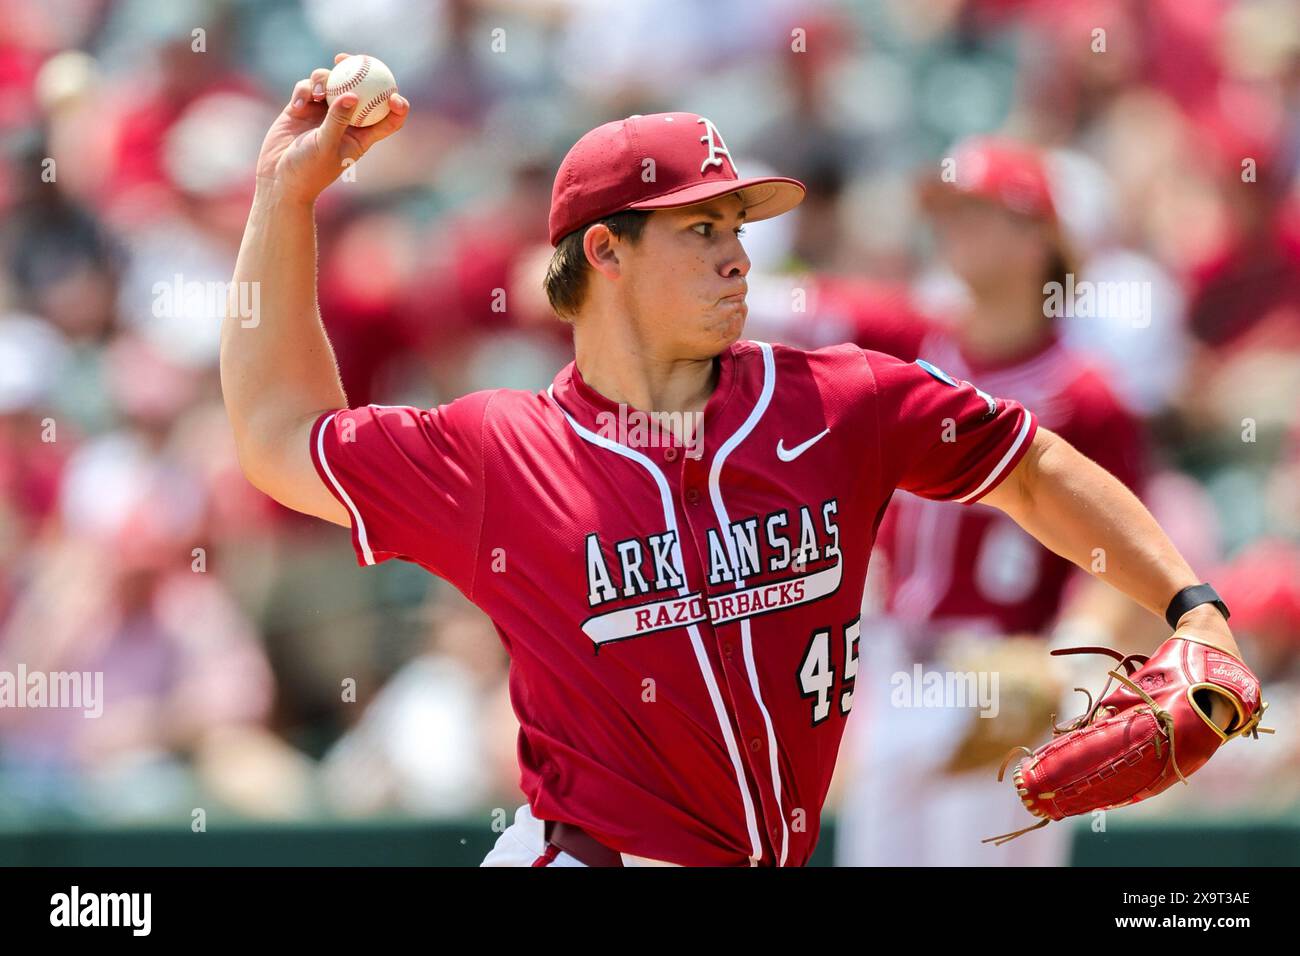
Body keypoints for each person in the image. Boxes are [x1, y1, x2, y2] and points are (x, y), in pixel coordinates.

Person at [220, 55, 1250, 867]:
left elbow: (1029, 465)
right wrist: (285, 195)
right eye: (702, 226)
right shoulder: (500, 449)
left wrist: (1191, 606)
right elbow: (277, 432)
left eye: (740, 227)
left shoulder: (842, 399)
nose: (738, 255)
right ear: (605, 253)